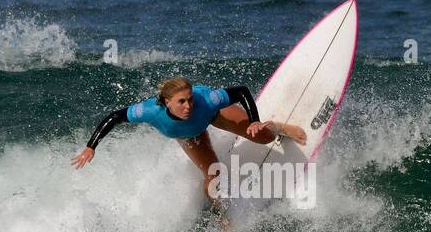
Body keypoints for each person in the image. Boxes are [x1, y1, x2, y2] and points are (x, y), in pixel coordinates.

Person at [72, 77, 306, 210]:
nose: (188, 106)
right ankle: (220, 213)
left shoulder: (207, 100)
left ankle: (279, 127)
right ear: (166, 103)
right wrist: (91, 146)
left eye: (190, 99)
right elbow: (115, 117)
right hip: (189, 135)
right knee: (214, 176)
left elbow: (242, 92)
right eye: (181, 102)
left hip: (215, 114)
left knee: (263, 136)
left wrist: (254, 121)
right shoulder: (149, 111)